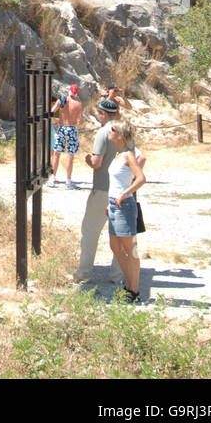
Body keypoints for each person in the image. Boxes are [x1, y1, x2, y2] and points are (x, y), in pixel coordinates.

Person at [73, 98, 146, 286]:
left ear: (103, 114)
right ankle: (117, 274)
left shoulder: (104, 133)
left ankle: (84, 272)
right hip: (123, 190)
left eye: (100, 113)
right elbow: (141, 157)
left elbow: (97, 164)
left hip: (102, 189)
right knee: (122, 235)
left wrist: (88, 159)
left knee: (90, 232)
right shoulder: (126, 131)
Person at [106, 118, 146, 302]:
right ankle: (128, 283)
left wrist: (123, 194)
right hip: (114, 204)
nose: (109, 131)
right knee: (115, 246)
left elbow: (141, 178)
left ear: (120, 136)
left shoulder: (129, 155)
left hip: (124, 205)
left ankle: (134, 289)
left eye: (113, 129)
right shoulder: (117, 154)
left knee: (130, 248)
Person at [48, 84, 83, 189]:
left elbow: (51, 112)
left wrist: (57, 120)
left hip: (62, 128)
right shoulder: (78, 104)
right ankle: (68, 180)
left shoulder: (62, 101)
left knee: (56, 154)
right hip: (72, 128)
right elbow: (81, 121)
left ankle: (52, 178)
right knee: (70, 155)